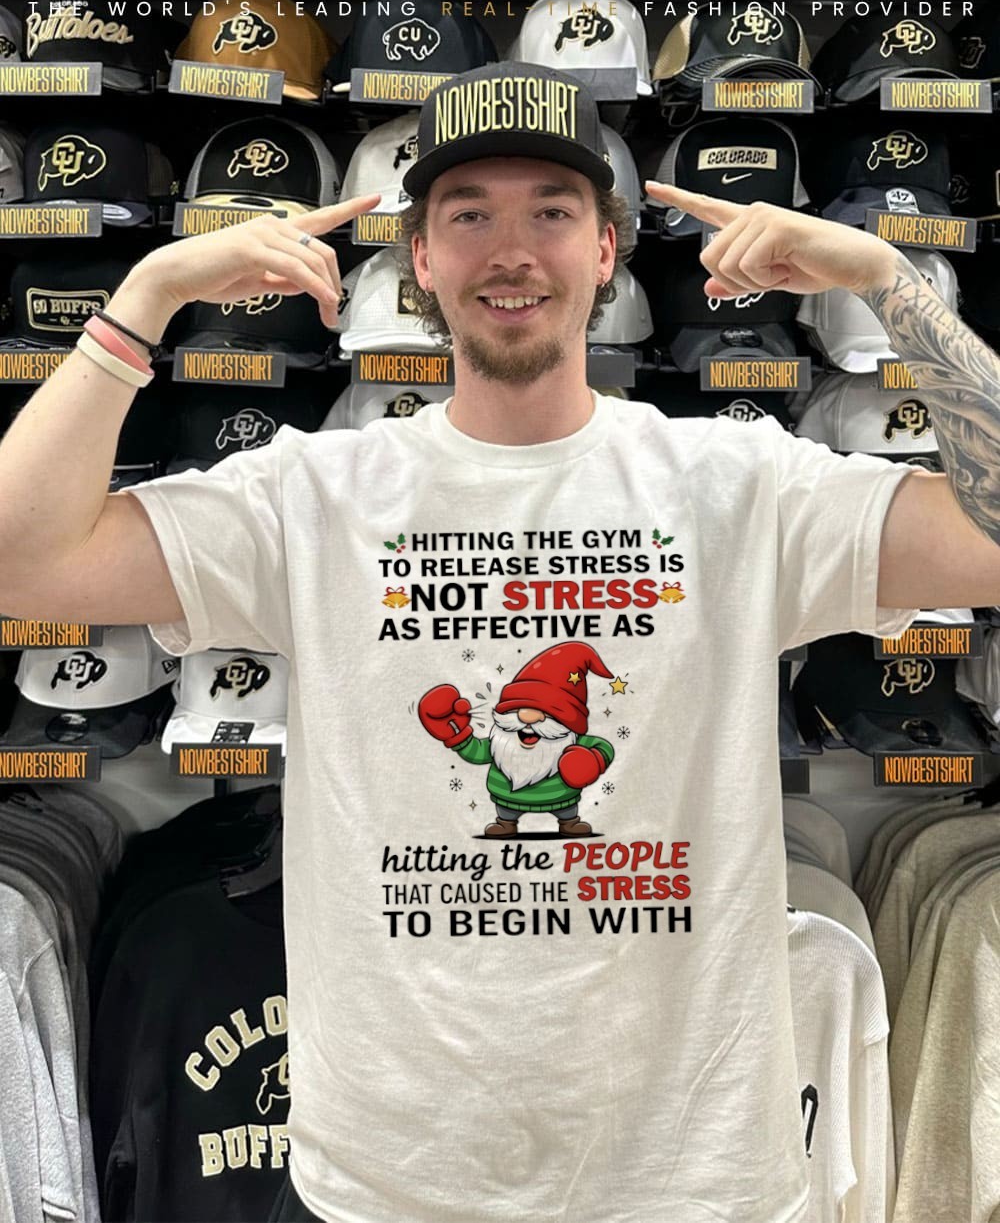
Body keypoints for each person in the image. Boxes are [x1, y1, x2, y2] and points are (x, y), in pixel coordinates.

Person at [0, 60, 998, 1223]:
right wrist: (148, 295)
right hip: (393, 1176)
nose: (510, 250)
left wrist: (889, 282)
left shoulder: (740, 486)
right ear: (418, 259)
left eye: (552, 212)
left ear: (607, 248)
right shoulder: (312, 494)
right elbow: (28, 561)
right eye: (468, 215)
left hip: (686, 1174)